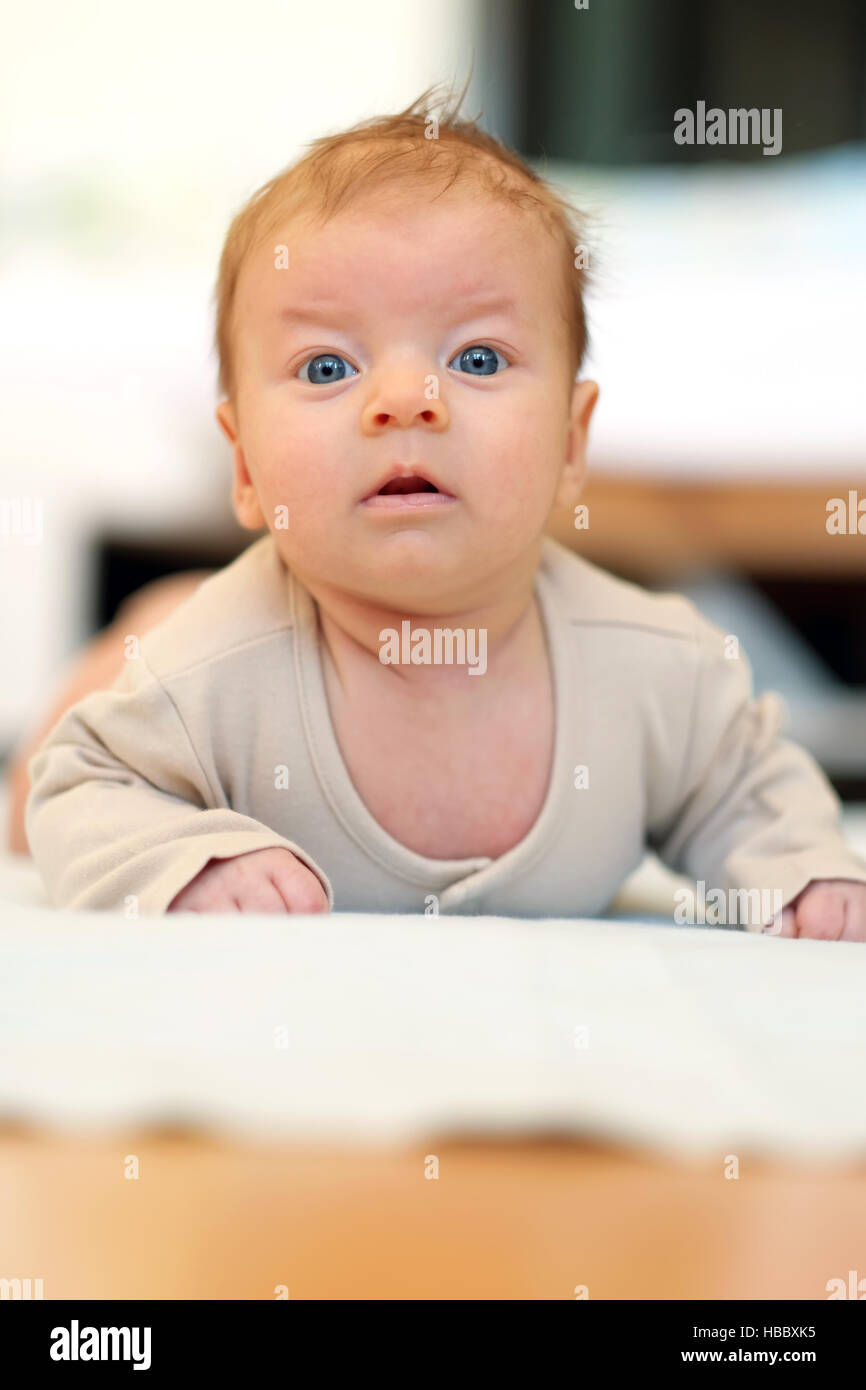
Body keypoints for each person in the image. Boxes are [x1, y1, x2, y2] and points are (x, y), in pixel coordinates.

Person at [23, 84, 866, 937]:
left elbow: (746, 790)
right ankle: (141, 624)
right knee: (39, 775)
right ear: (244, 465)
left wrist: (795, 874)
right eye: (326, 367)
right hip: (191, 639)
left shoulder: (652, 672)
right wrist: (180, 857)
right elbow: (81, 785)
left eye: (476, 357)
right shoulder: (210, 676)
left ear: (571, 445)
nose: (407, 401)